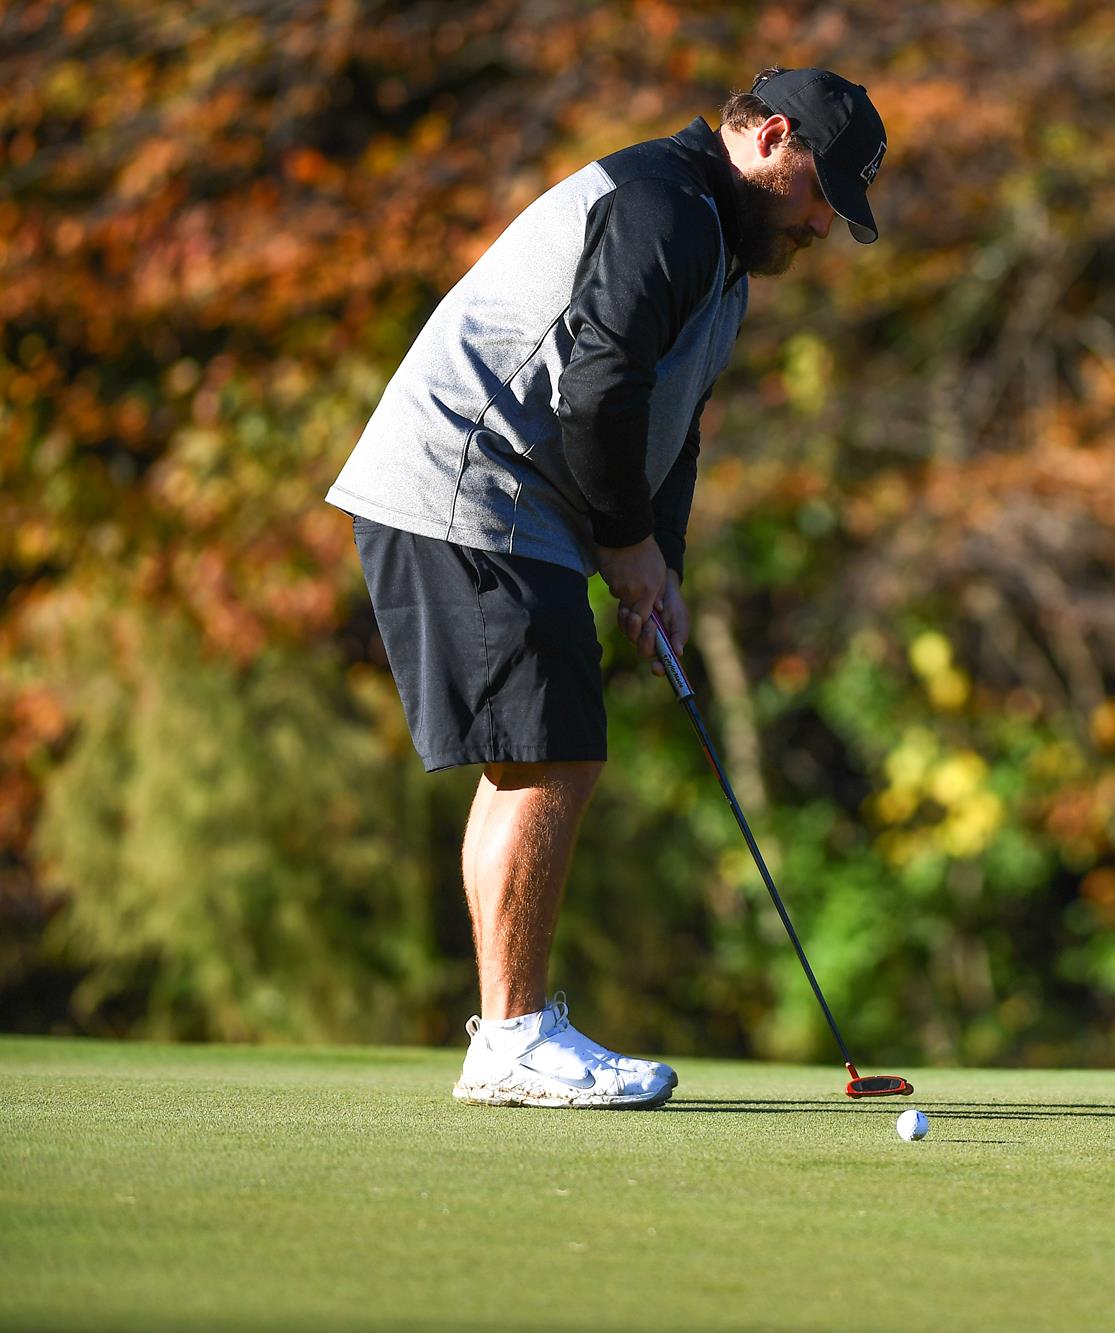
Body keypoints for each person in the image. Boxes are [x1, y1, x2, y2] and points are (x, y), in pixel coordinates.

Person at [325, 69, 888, 1108]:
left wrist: (656, 563)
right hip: (467, 485)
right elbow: (600, 384)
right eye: (821, 196)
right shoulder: (661, 209)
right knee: (551, 752)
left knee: (545, 753)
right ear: (771, 139)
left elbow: (673, 419)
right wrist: (621, 542)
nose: (821, 227)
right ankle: (512, 1039)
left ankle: (510, 1034)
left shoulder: (719, 253)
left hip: (510, 499)